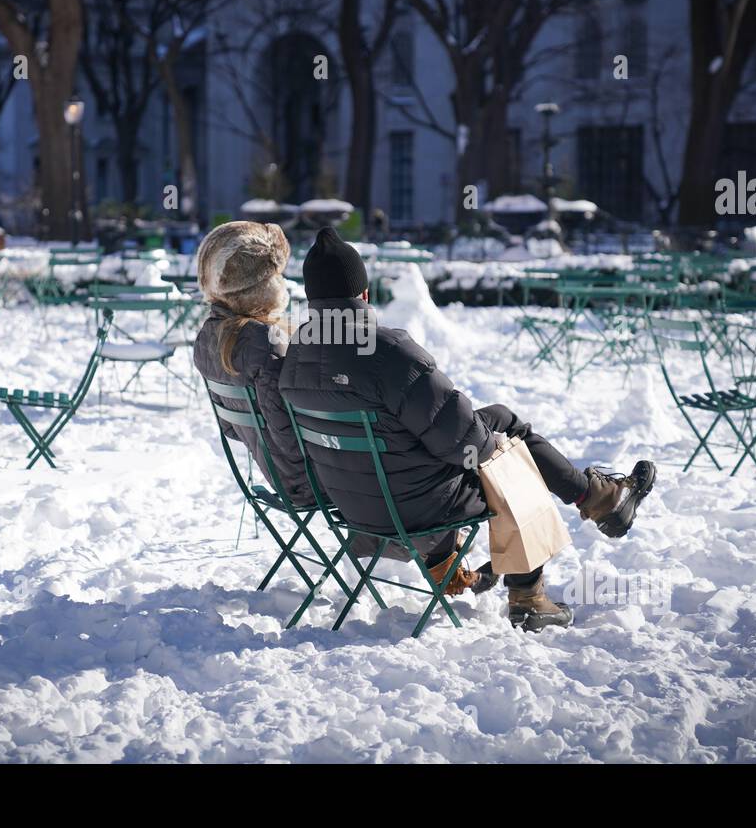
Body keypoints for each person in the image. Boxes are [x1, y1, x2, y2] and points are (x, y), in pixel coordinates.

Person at [277, 227, 656, 634]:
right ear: (364, 295)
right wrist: (492, 441)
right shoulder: (387, 352)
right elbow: (466, 443)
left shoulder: (295, 356)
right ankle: (532, 593)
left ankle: (597, 499)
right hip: (420, 507)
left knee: (500, 420)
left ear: (314, 302)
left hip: (359, 508)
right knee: (514, 456)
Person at [192, 221, 311, 507]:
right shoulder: (266, 340)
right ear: (267, 287)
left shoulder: (208, 337)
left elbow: (231, 429)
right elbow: (291, 442)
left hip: (274, 472)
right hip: (307, 481)